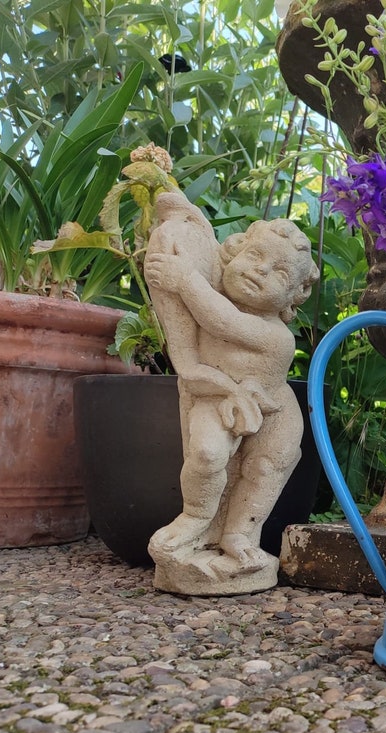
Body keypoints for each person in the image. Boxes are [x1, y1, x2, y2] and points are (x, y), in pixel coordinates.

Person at [144, 211, 319, 575]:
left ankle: (240, 535)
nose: (261, 271)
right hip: (220, 397)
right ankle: (195, 516)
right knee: (207, 455)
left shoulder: (278, 337)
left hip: (275, 410)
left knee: (268, 466)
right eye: (255, 256)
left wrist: (184, 279)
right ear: (232, 254)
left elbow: (222, 320)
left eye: (280, 274)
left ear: (290, 297)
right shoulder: (211, 293)